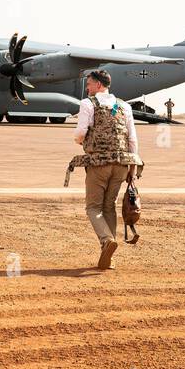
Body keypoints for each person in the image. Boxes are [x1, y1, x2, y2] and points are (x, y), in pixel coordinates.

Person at [74, 69, 141, 271]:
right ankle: (109, 257)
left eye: (89, 84)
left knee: (93, 208)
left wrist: (79, 140)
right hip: (121, 165)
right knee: (109, 206)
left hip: (98, 164)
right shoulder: (124, 106)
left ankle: (106, 240)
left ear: (99, 85)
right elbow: (132, 139)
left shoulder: (88, 104)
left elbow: (81, 132)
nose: (87, 88)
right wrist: (133, 168)